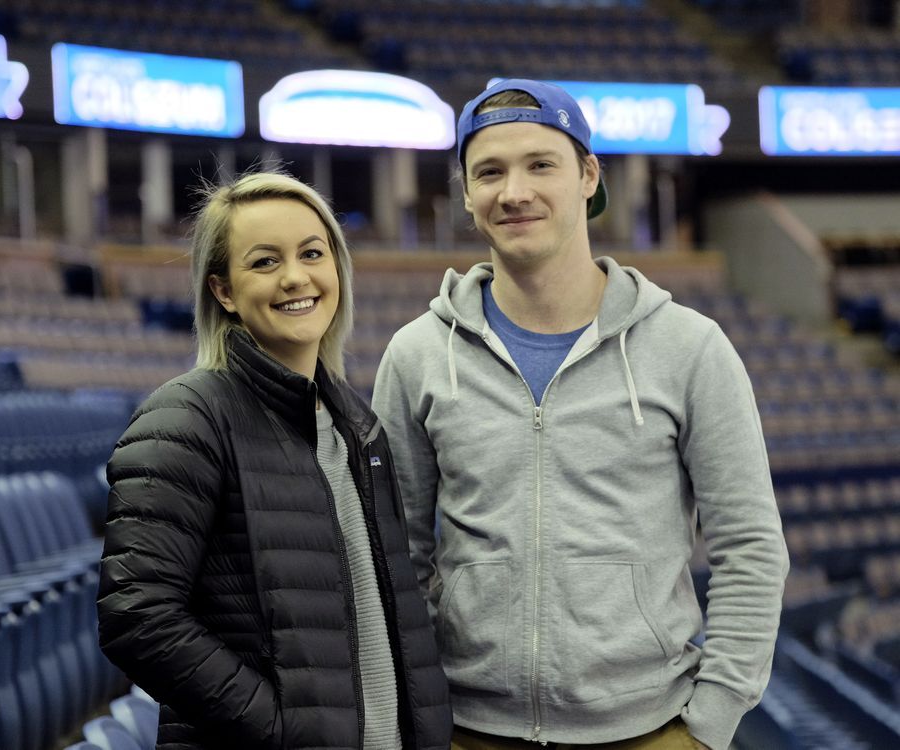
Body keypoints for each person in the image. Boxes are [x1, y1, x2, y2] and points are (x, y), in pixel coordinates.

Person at [372, 79, 789, 750]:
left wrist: (706, 728)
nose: (515, 192)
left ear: (588, 175)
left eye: (541, 164)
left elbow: (751, 548)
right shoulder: (417, 355)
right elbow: (400, 557)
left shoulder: (689, 347)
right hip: (469, 731)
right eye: (490, 172)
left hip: (649, 729)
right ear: (466, 193)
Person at [98, 171, 451, 750]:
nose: (295, 277)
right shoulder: (186, 417)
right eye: (264, 262)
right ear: (224, 291)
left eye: (312, 253)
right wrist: (284, 730)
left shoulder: (356, 426)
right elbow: (137, 616)